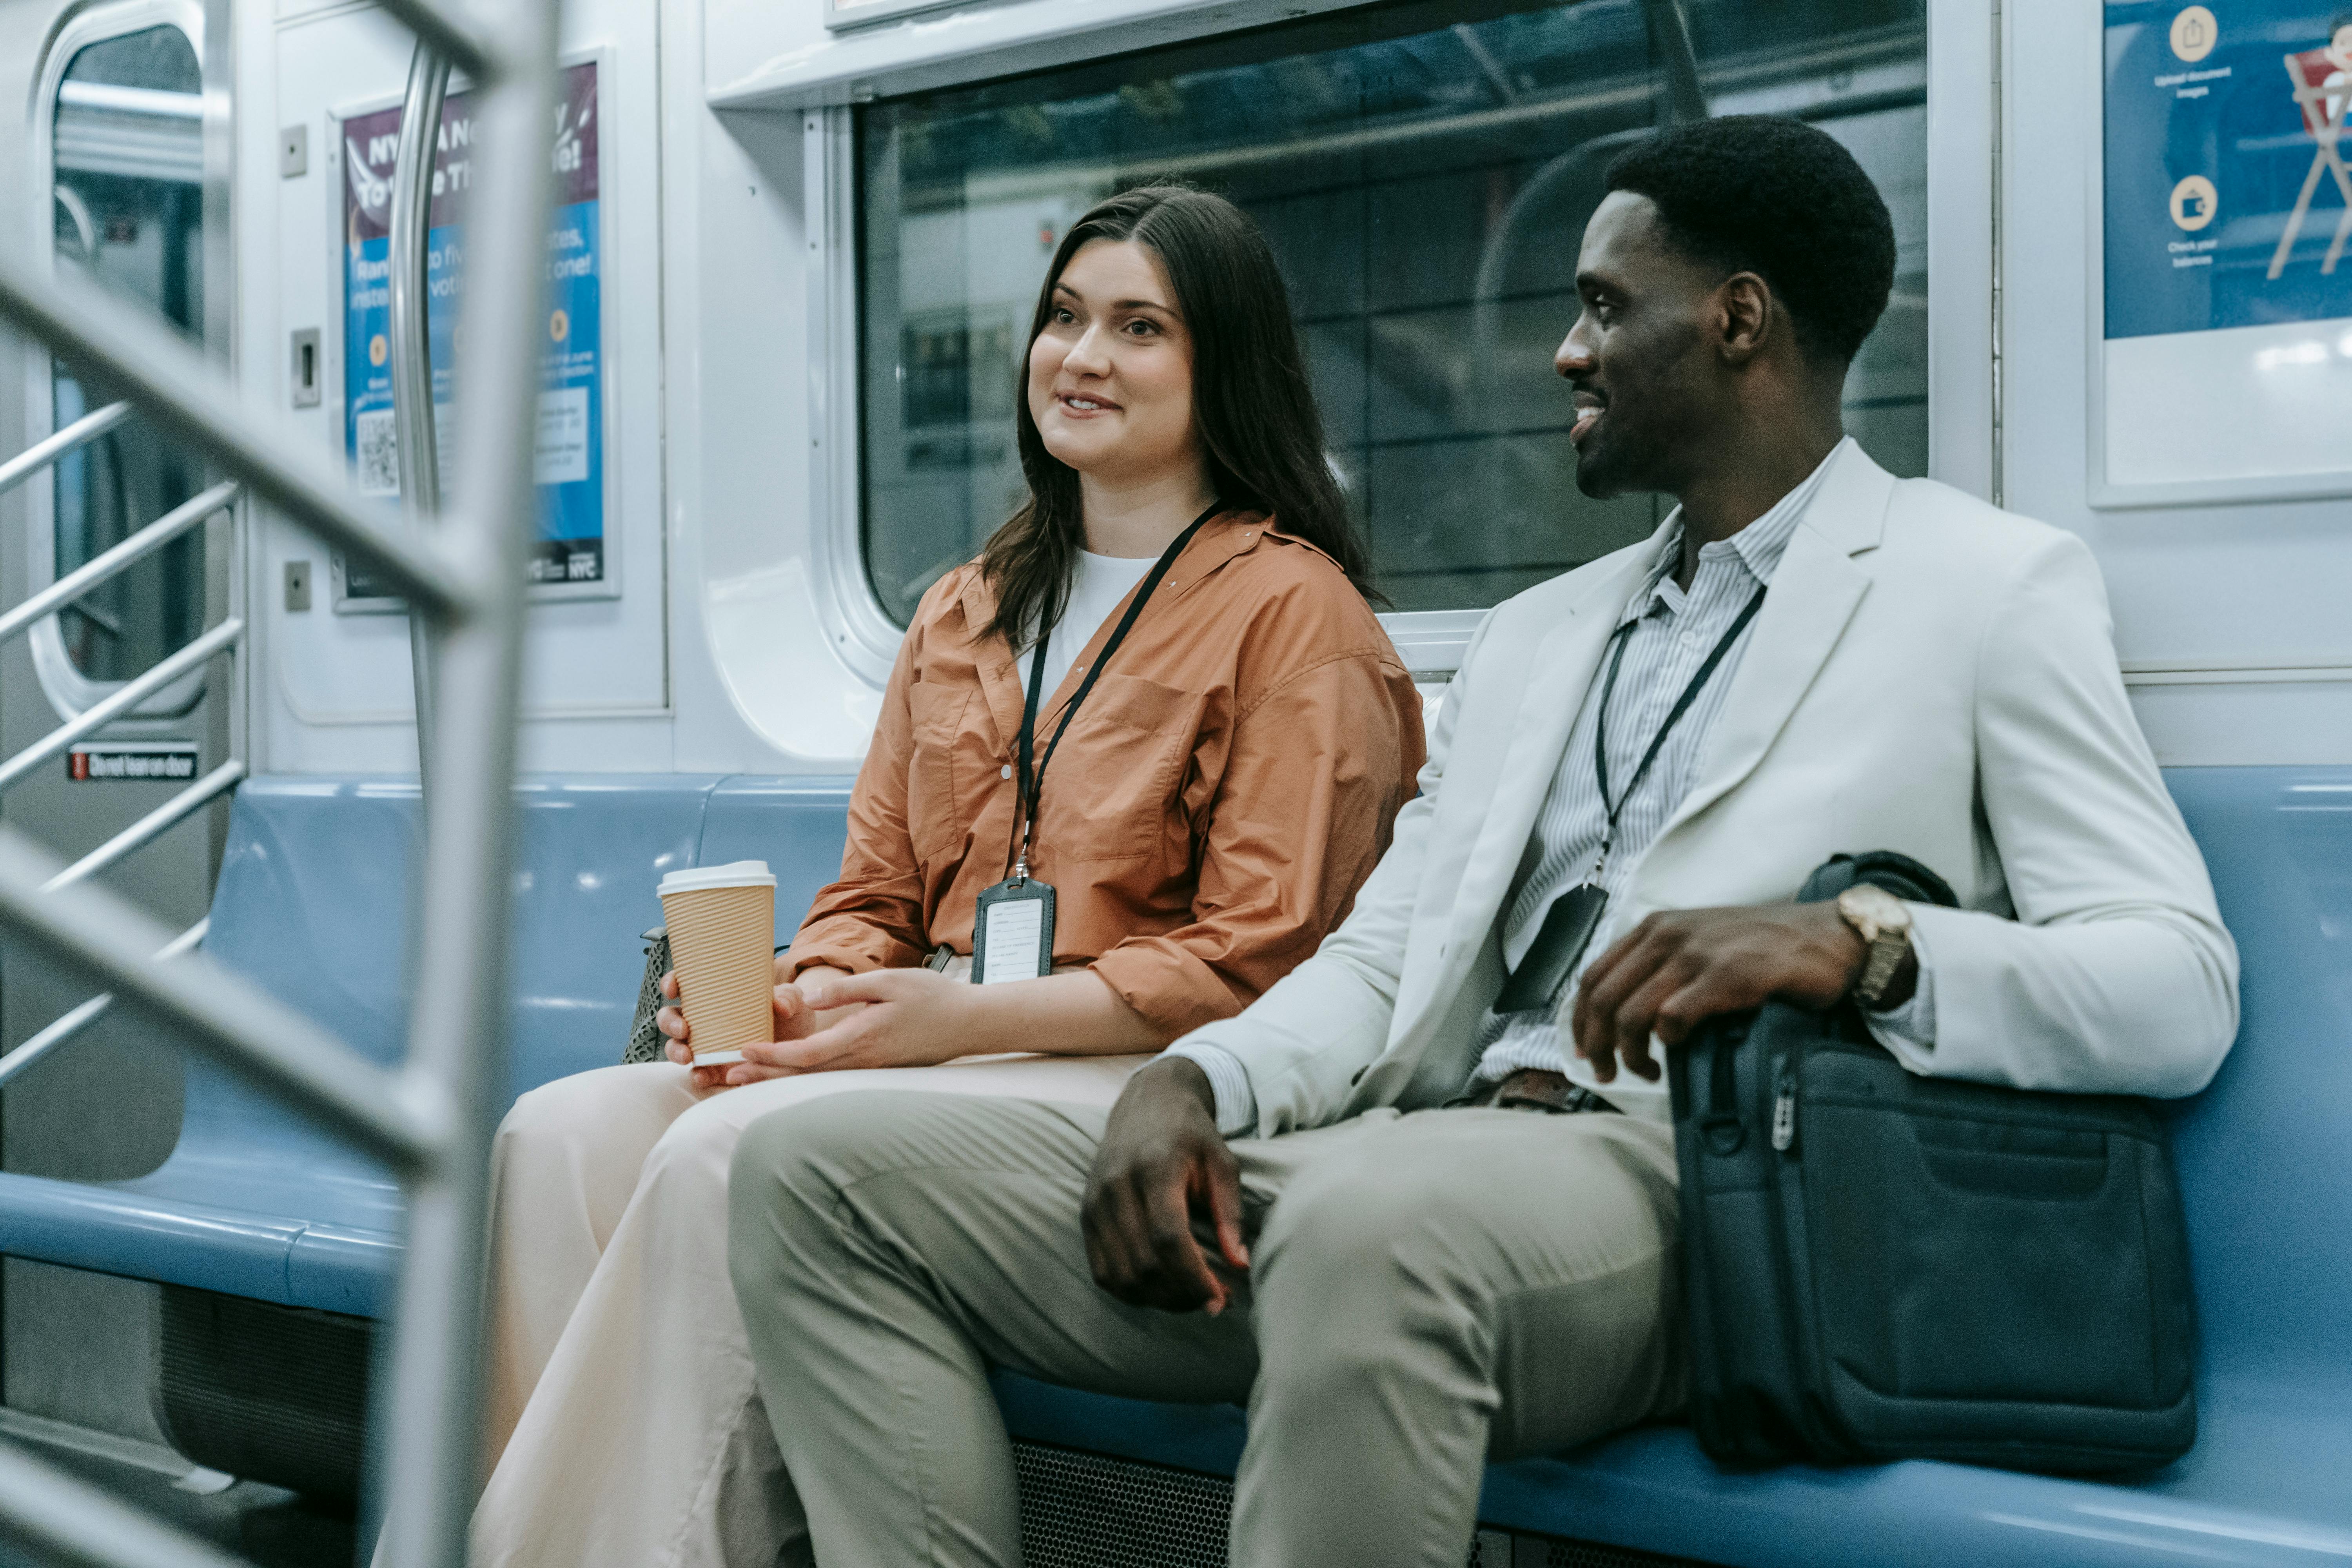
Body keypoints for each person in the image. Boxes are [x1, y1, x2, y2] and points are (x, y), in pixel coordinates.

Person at [724, 116, 2240, 1568]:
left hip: (1703, 1190)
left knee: (1375, 1238)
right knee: (816, 1177)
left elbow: (2178, 988)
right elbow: (1391, 953)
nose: (1563, 352)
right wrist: (1202, 1078)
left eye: (1600, 306)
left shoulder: (1985, 588)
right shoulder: (1540, 635)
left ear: (1739, 320)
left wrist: (1860, 946)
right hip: (1414, 1147)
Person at [463, 185, 1424, 1568]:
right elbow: (876, 900)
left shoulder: (1296, 615)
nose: (1081, 356)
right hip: (942, 1047)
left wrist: (954, 1018)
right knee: (555, 1134)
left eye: (1138, 327)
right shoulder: (966, 604)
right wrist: (806, 990)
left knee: (728, 1155)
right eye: (1064, 317)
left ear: (1223, 365)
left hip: (1137, 1071)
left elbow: (1263, 961)